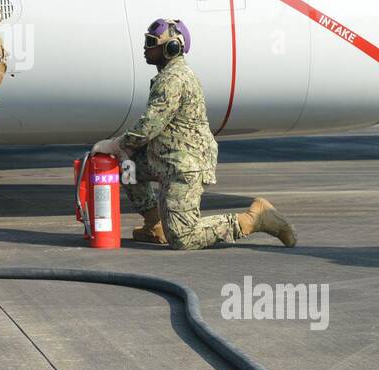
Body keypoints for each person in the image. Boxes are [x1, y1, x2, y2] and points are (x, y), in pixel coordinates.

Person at [92, 19, 296, 250]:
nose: (145, 48)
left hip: (185, 165)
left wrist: (117, 144)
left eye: (151, 43)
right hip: (163, 158)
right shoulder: (168, 76)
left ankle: (255, 219)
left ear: (171, 48)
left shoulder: (174, 79)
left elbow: (150, 124)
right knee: (126, 167)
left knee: (183, 238)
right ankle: (155, 224)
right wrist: (123, 152)